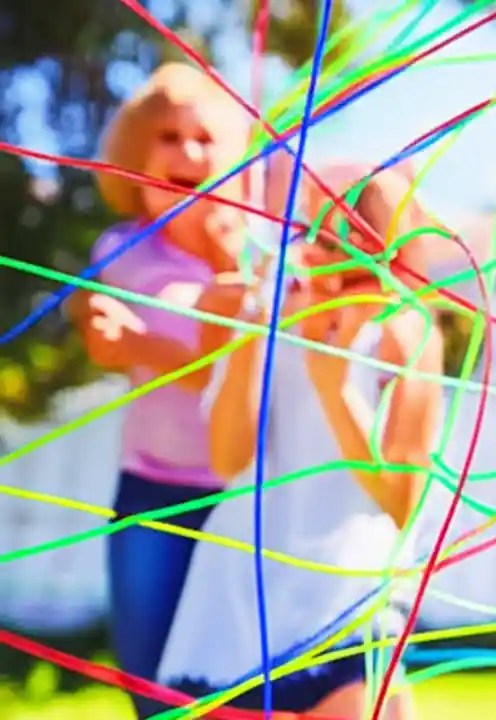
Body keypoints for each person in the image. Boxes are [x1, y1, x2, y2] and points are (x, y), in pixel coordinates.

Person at [156, 166, 441, 718]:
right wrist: (254, 328)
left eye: (356, 237)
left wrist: (332, 381)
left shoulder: (406, 332)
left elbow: (402, 498)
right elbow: (228, 458)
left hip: (347, 594)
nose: (330, 251)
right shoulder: (269, 316)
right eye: (319, 232)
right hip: (243, 586)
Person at [67, 61, 257, 718]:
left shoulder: (261, 256)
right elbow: (114, 343)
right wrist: (107, 333)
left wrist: (144, 341)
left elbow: (229, 376)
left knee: (245, 687)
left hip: (248, 496)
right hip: (152, 491)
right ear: (134, 157)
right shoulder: (123, 251)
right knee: (154, 688)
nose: (189, 154)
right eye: (168, 138)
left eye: (205, 139)